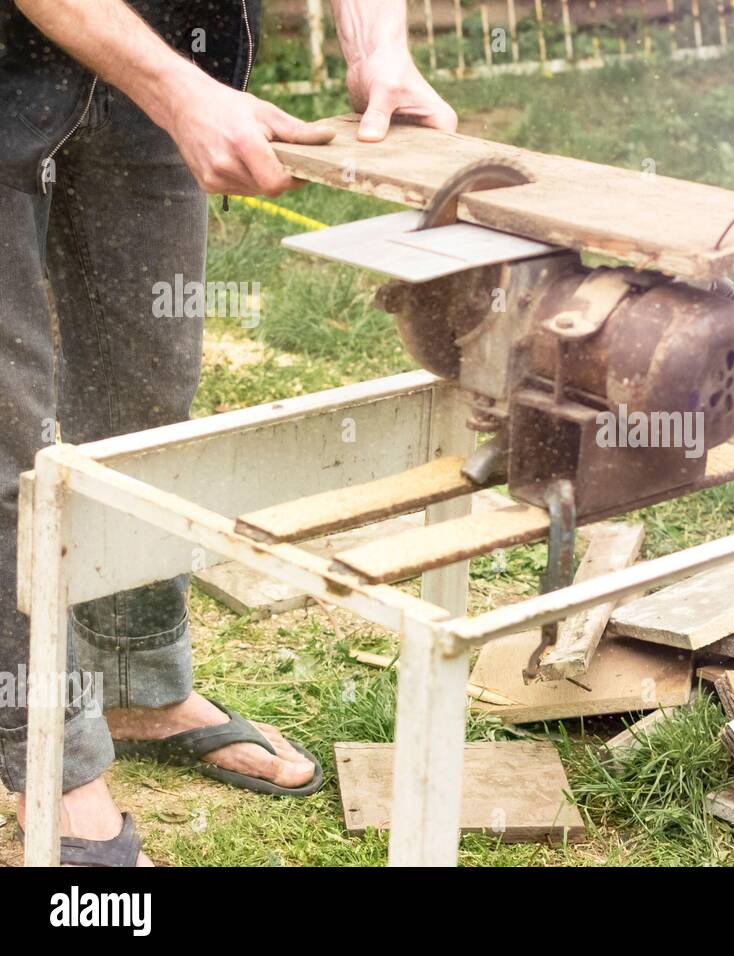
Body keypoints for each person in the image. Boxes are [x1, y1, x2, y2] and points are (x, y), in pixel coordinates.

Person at [0, 0, 456, 866]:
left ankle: (136, 684)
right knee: (6, 426)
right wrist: (178, 93)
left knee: (145, 400)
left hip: (170, 39)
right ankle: (52, 759)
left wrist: (378, 51)